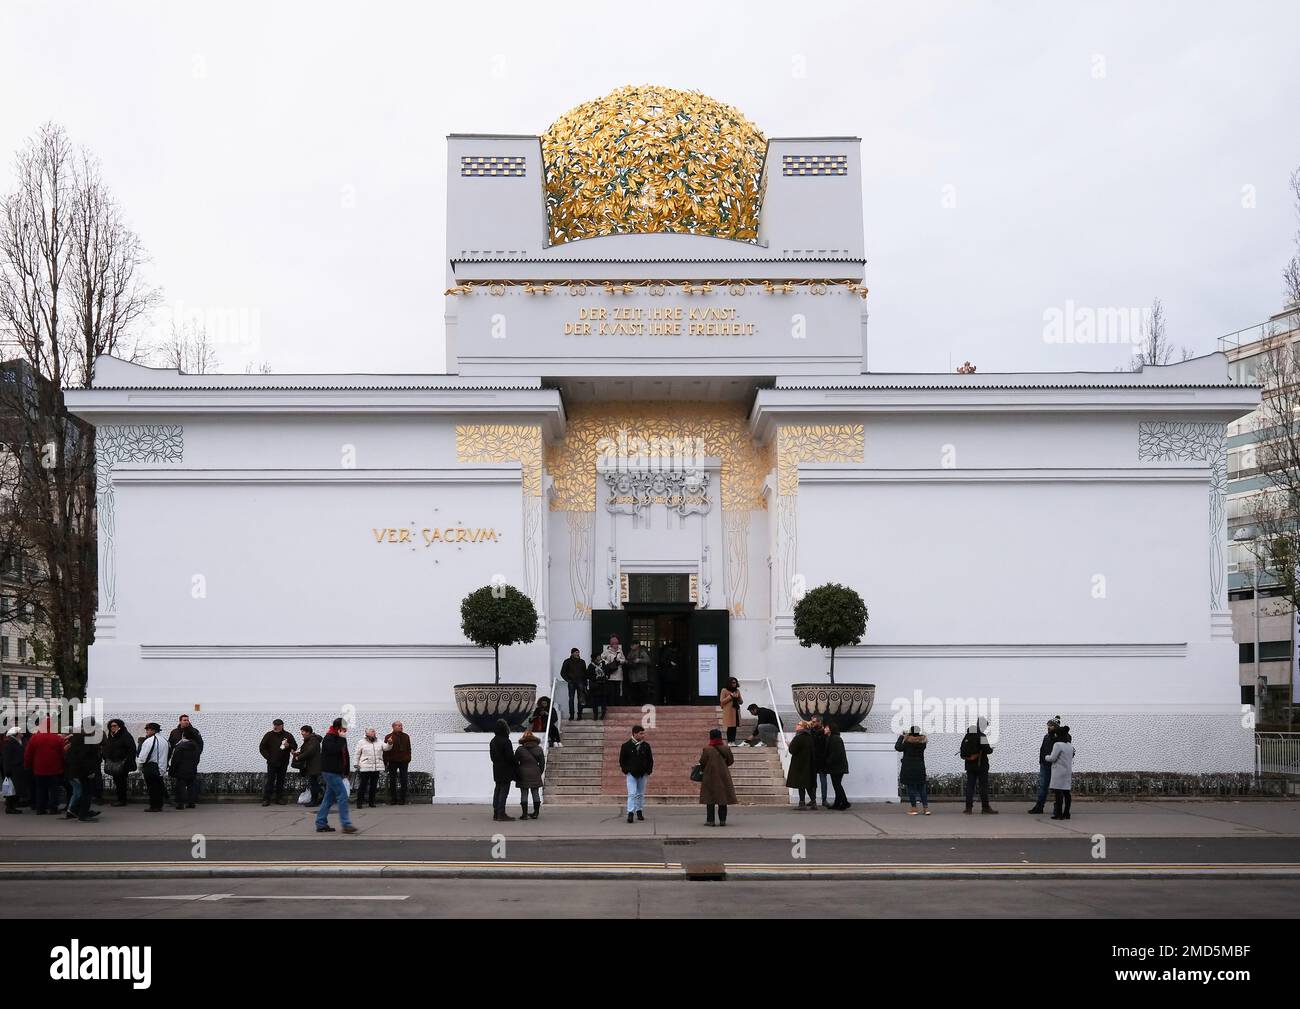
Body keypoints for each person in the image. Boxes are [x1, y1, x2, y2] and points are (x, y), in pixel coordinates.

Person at [315, 718, 357, 833]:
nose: (346, 730)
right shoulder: (329, 738)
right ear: (338, 728)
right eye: (344, 728)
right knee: (342, 796)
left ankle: (321, 823)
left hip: (336, 772)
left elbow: (345, 756)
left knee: (328, 798)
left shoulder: (339, 738)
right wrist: (342, 739)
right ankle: (346, 824)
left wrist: (346, 772)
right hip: (330, 771)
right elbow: (334, 751)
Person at [23, 719, 66, 815]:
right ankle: (53, 808)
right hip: (54, 768)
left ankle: (40, 808)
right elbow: (63, 753)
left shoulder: (34, 738)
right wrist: (63, 765)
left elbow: (28, 754)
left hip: (39, 768)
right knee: (54, 789)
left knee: (40, 789)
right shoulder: (57, 738)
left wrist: (27, 765)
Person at [698, 727, 736, 826]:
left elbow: (702, 762)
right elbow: (731, 761)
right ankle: (722, 820)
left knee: (709, 799)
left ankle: (710, 821)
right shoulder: (726, 748)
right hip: (723, 776)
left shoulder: (707, 749)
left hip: (710, 776)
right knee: (723, 799)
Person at [65, 718, 102, 822]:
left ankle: (77, 810)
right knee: (86, 792)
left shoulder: (77, 736)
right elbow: (85, 757)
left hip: (77, 770)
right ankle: (83, 814)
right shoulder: (86, 737)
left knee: (83, 792)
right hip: (84, 771)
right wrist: (90, 771)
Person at [959, 716, 997, 814]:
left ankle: (968, 808)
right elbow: (987, 750)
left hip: (969, 765)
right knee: (983, 786)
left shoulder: (968, 735)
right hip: (981, 765)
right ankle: (985, 808)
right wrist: (991, 749)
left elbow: (962, 750)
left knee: (970, 786)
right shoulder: (982, 736)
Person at [618, 723, 653, 824]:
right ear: (635, 734)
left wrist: (648, 770)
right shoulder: (626, 746)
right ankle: (630, 813)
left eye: (643, 733)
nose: (643, 735)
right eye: (641, 733)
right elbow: (622, 760)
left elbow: (650, 760)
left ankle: (639, 811)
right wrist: (626, 770)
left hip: (643, 774)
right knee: (632, 793)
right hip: (631, 774)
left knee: (640, 794)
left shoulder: (646, 746)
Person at [167, 715, 203, 807]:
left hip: (187, 763)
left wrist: (196, 757)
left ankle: (183, 803)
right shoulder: (174, 732)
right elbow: (170, 746)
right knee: (188, 782)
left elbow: (200, 745)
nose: (186, 721)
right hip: (185, 762)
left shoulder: (194, 731)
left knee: (184, 783)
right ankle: (189, 802)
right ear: (180, 721)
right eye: (184, 720)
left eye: (187, 720)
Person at [259, 718, 296, 806]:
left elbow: (294, 745)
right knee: (270, 780)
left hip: (283, 762)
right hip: (272, 762)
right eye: (275, 725)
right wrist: (268, 757)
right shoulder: (269, 735)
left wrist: (289, 745)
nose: (276, 727)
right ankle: (266, 799)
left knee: (281, 780)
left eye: (278, 725)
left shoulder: (288, 735)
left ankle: (279, 798)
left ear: (282, 726)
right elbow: (262, 747)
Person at [1028, 716, 1061, 814]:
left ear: (1055, 726)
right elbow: (1042, 749)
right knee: (1042, 786)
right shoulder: (1046, 736)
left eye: (1050, 725)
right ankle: (1039, 807)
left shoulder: (1059, 737)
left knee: (1057, 788)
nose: (1048, 727)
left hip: (1055, 765)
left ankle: (1057, 809)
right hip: (1044, 764)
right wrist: (1041, 761)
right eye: (1048, 725)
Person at [895, 725, 929, 814]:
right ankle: (926, 809)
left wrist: (902, 736)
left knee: (911, 788)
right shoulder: (923, 743)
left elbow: (897, 747)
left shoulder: (907, 743)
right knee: (922, 788)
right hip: (920, 767)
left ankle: (914, 809)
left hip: (909, 768)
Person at [489, 719, 519, 822]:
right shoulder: (506, 741)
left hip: (497, 768)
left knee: (497, 790)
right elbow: (510, 757)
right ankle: (501, 813)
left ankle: (496, 813)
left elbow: (492, 757)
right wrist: (516, 763)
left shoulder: (493, 741)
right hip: (506, 769)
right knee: (503, 792)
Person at [102, 718, 136, 806]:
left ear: (120, 726)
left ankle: (122, 800)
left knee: (121, 782)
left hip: (122, 763)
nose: (112, 727)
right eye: (111, 726)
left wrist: (127, 761)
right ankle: (120, 799)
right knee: (117, 781)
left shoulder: (125, 736)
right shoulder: (111, 736)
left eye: (114, 726)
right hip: (114, 763)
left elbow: (131, 750)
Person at [136, 723, 169, 812]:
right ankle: (159, 805)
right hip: (161, 767)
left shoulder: (149, 741)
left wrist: (140, 767)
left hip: (151, 767)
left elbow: (143, 756)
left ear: (153, 730)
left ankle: (154, 806)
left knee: (152, 788)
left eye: (147, 729)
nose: (146, 731)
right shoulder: (164, 740)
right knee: (158, 787)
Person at [785, 721, 818, 809]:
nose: (796, 726)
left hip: (800, 764)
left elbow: (792, 750)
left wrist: (789, 745)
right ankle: (813, 802)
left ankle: (802, 803)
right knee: (808, 784)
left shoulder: (798, 737)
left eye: (798, 724)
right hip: (809, 764)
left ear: (803, 727)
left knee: (801, 785)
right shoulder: (809, 737)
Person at [514, 729, 546, 820]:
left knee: (524, 793)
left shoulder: (520, 749)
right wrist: (539, 771)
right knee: (535, 792)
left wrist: (517, 772)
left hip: (523, 772)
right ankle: (536, 813)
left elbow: (515, 762)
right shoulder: (539, 749)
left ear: (523, 739)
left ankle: (524, 814)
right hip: (535, 772)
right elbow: (542, 763)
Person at [1046, 725, 1075, 820]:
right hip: (1067, 771)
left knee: (1058, 794)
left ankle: (1058, 814)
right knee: (1067, 794)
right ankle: (1067, 813)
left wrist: (1046, 757)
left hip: (1058, 772)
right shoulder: (1070, 746)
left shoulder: (1057, 745)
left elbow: (1052, 758)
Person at [353, 727, 384, 807]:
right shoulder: (361, 742)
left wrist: (390, 744)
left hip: (375, 767)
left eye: (374, 731)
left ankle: (371, 802)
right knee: (363, 785)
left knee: (373, 786)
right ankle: (359, 803)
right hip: (365, 767)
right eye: (372, 731)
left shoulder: (379, 741)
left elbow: (386, 748)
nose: (374, 733)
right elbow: (357, 753)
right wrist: (356, 763)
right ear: (367, 733)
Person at [293, 725, 323, 805]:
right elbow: (307, 751)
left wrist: (298, 757)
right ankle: (317, 798)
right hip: (311, 765)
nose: (301, 733)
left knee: (313, 783)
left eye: (302, 731)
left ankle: (315, 800)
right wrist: (298, 753)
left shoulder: (313, 740)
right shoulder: (309, 740)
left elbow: (310, 752)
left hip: (314, 765)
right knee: (313, 783)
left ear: (307, 732)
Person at [383, 721, 411, 805]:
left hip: (403, 762)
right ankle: (393, 799)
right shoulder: (388, 737)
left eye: (401, 725)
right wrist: (385, 762)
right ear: (393, 727)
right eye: (399, 726)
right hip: (392, 761)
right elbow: (385, 750)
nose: (401, 727)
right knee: (392, 780)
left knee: (404, 780)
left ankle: (402, 799)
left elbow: (409, 748)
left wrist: (408, 758)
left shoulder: (406, 736)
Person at [2, 726, 27, 813]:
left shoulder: (17, 741)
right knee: (11, 789)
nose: (22, 733)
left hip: (17, 768)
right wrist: (7, 770)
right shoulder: (10, 743)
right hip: (13, 769)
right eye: (20, 732)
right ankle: (9, 807)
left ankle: (12, 806)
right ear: (16, 734)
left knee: (15, 788)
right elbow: (6, 758)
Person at [826, 722, 851, 810]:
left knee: (837, 785)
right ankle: (837, 803)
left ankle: (845, 802)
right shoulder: (833, 738)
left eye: (826, 727)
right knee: (837, 785)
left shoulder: (835, 739)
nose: (825, 729)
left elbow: (835, 753)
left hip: (838, 766)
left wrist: (828, 761)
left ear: (831, 729)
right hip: (837, 766)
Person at [560, 647, 588, 720]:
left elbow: (585, 673)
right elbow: (562, 673)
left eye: (578, 652)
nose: (577, 653)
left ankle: (579, 715)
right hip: (571, 682)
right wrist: (568, 680)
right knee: (571, 699)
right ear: (572, 653)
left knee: (581, 699)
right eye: (576, 652)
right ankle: (571, 715)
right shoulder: (567, 661)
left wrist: (585, 683)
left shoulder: (582, 662)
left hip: (580, 682)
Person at [598, 635, 626, 705]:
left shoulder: (620, 651)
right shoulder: (607, 651)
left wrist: (619, 661)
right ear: (611, 644)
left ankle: (617, 704)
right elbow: (601, 659)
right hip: (611, 674)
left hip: (618, 673)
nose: (616, 645)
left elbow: (624, 659)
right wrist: (608, 663)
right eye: (614, 644)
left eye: (617, 643)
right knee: (611, 691)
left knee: (618, 690)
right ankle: (611, 704)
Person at [810, 717, 830, 807]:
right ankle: (813, 799)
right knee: (813, 781)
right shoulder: (812, 732)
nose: (812, 723)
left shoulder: (823, 733)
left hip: (822, 760)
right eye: (812, 721)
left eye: (814, 722)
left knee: (823, 781)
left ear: (819, 722)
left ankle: (824, 800)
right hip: (814, 759)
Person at [719, 677, 743, 744]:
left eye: (735, 682)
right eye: (733, 682)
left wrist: (738, 697)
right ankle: (729, 741)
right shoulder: (724, 690)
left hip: (735, 711)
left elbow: (741, 702)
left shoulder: (737, 690)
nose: (734, 684)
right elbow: (722, 701)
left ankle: (733, 741)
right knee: (730, 726)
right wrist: (730, 697)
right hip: (729, 711)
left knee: (734, 727)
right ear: (729, 683)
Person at [584, 652, 607, 721]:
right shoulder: (591, 666)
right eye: (598, 656)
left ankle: (603, 714)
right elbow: (588, 675)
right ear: (595, 658)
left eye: (599, 656)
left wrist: (604, 677)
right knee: (595, 702)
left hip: (602, 686)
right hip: (595, 686)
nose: (600, 657)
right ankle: (596, 715)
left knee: (603, 701)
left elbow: (606, 672)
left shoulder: (603, 664)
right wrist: (596, 678)